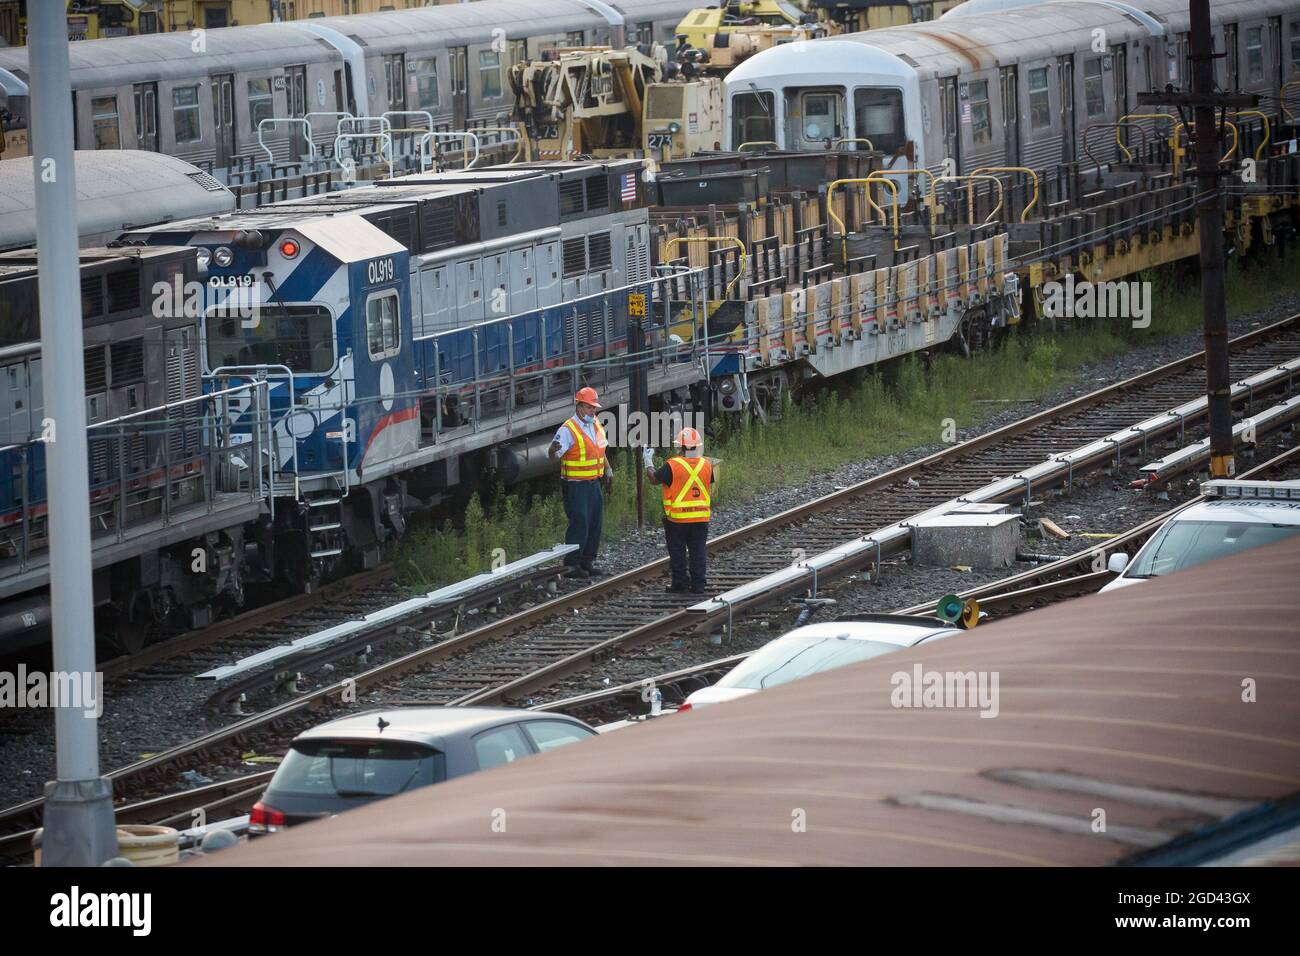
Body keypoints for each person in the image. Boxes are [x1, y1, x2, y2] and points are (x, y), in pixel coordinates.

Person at [548, 387, 612, 579]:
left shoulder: (595, 425)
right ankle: (572, 564)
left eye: (594, 407)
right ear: (579, 406)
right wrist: (552, 450)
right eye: (589, 407)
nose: (593, 411)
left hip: (593, 483)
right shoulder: (568, 429)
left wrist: (608, 470)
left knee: (595, 523)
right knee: (580, 523)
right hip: (576, 486)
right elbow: (554, 456)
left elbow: (601, 451)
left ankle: (587, 561)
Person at [643, 427, 714, 594]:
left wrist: (648, 462)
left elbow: (654, 479)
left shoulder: (672, 465)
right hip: (700, 518)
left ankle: (680, 583)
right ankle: (698, 585)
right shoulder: (707, 464)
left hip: (677, 519)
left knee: (678, 551)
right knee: (698, 550)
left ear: (680, 447)